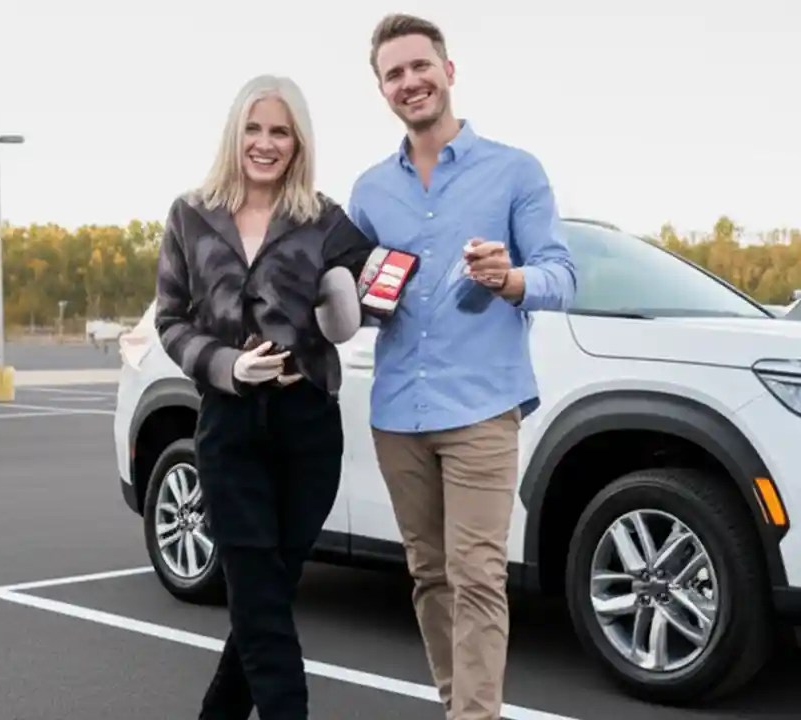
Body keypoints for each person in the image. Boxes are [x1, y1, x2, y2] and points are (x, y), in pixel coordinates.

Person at [347, 13, 578, 720]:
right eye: (394, 73)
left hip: (482, 409)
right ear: (383, 89)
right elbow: (358, 301)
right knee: (428, 575)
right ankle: (460, 705)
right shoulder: (368, 191)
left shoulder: (514, 170)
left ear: (449, 71)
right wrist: (358, 297)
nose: (410, 82)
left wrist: (508, 279)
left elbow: (562, 276)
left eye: (421, 66)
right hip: (397, 413)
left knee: (477, 574)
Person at [154, 73, 375, 720]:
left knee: (266, 597)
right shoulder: (190, 215)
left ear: (298, 141)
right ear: (235, 133)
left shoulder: (325, 220)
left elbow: (375, 297)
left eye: (280, 131)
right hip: (230, 428)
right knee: (257, 594)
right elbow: (170, 320)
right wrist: (225, 365)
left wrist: (349, 301)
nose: (265, 143)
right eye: (254, 128)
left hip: (307, 426)